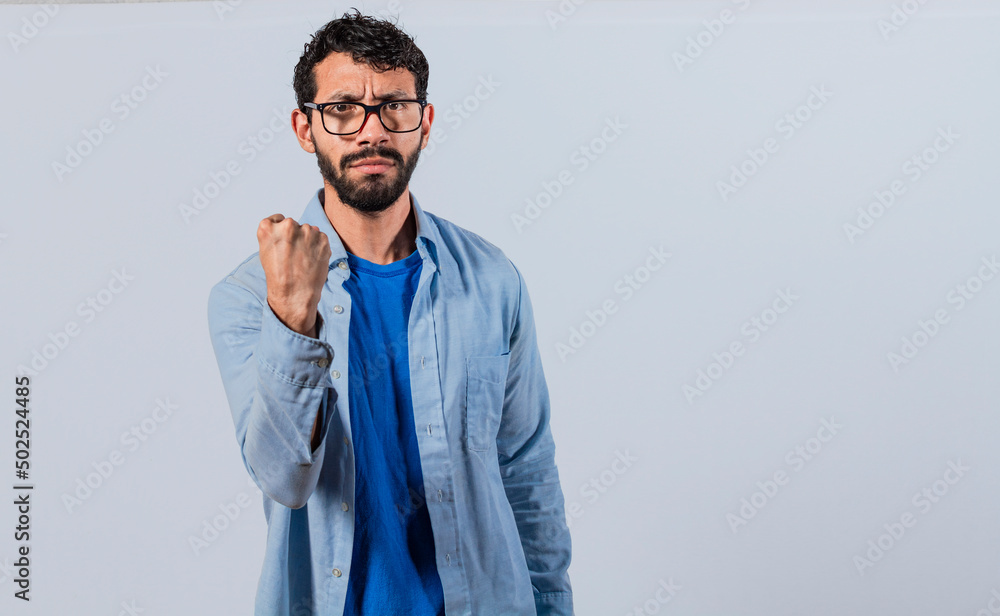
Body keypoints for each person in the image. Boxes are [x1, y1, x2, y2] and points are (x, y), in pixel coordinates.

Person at [206, 9, 573, 616]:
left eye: (393, 107)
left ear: (423, 122)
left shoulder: (492, 279)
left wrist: (554, 606)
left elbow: (527, 471)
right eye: (343, 108)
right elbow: (284, 480)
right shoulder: (248, 295)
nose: (370, 132)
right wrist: (292, 318)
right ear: (305, 128)